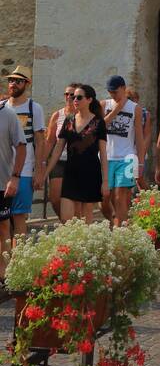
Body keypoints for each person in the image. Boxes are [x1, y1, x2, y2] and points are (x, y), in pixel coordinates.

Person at [43, 84, 109, 224]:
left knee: (86, 222)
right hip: (70, 173)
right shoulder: (69, 120)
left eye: (79, 97)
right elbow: (57, 149)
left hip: (90, 173)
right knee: (67, 220)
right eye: (73, 97)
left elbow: (103, 154)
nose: (75, 100)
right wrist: (45, 172)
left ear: (89, 99)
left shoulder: (98, 123)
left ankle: (85, 246)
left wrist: (105, 182)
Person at [1, 66, 45, 242]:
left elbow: (40, 140)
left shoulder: (34, 108)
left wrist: (39, 171)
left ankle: (17, 260)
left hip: (25, 170)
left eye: (18, 81)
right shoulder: (2, 107)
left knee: (19, 217)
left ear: (27, 84)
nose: (13, 84)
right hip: (3, 171)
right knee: (3, 220)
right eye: (11, 80)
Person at [102, 76, 145, 226]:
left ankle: (122, 232)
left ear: (123, 88)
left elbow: (139, 137)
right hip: (106, 158)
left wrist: (140, 163)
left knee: (121, 196)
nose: (112, 95)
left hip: (128, 158)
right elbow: (99, 128)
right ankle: (115, 219)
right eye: (110, 92)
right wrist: (116, 111)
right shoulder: (104, 105)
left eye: (115, 91)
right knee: (104, 198)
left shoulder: (135, 108)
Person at [0, 99, 27, 291]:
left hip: (2, 182)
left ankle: (4, 274)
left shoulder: (8, 114)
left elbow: (21, 146)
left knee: (2, 228)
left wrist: (15, 177)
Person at [41, 86, 76, 219]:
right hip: (59, 160)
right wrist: (43, 162)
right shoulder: (58, 115)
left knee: (75, 198)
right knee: (55, 198)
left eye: (72, 95)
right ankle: (67, 225)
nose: (69, 97)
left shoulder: (83, 115)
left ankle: (73, 227)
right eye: (66, 94)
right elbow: (50, 141)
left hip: (76, 161)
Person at [127, 87, 152, 186]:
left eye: (132, 99)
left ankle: (149, 200)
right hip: (126, 151)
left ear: (137, 99)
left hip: (138, 151)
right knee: (129, 180)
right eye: (128, 99)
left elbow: (147, 135)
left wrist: (141, 153)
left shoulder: (144, 113)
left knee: (139, 179)